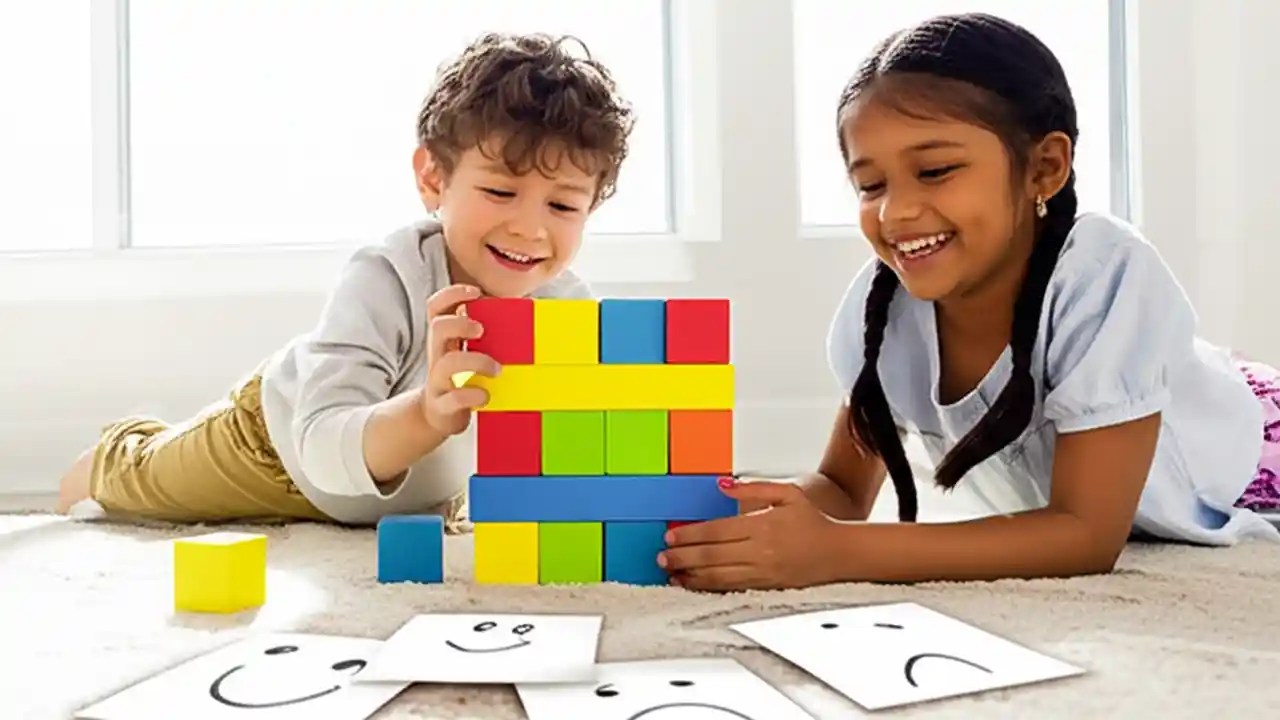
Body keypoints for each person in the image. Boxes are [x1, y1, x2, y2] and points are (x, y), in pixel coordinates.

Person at [660, 12, 1280, 591]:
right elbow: (841, 489)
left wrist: (840, 553)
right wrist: (743, 519)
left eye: (934, 172)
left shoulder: (1103, 273)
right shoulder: (881, 313)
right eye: (870, 184)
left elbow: (1086, 536)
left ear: (1045, 168)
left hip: (1255, 450)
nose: (896, 211)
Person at [56, 32, 635, 528]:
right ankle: (115, 452)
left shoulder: (566, 305)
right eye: (500, 192)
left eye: (562, 207)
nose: (531, 229)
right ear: (433, 177)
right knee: (137, 483)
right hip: (276, 452)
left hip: (411, 498)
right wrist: (426, 416)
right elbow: (322, 447)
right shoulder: (388, 276)